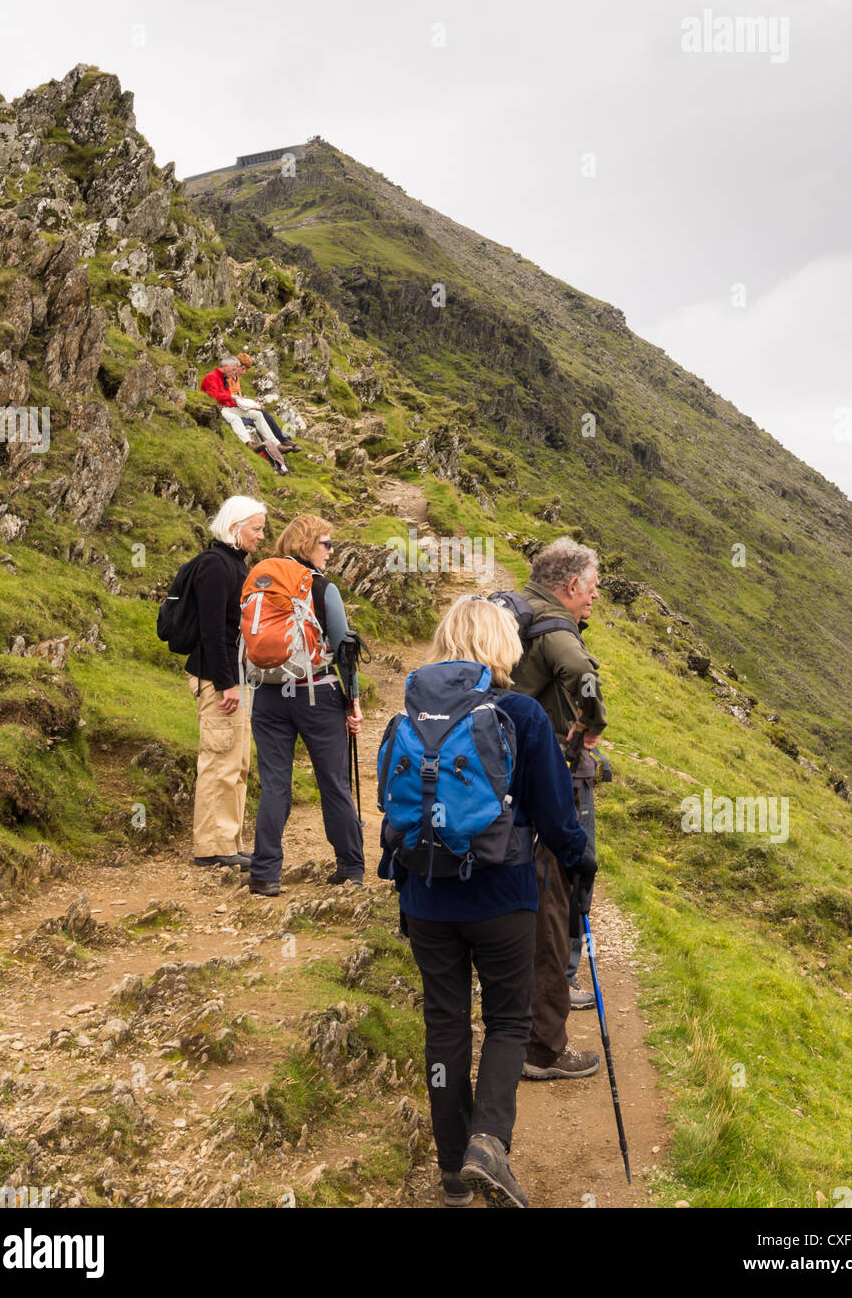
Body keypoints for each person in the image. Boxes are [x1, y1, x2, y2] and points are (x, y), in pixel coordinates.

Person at [377, 596, 596, 1208]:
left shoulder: (412, 713)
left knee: (444, 1026)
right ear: (503, 645)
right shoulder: (521, 713)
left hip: (426, 895)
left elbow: (396, 812)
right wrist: (581, 865)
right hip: (502, 896)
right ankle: (488, 1144)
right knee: (506, 1022)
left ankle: (453, 1173)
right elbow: (556, 816)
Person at [509, 538, 608, 1077]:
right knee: (551, 908)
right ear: (570, 586)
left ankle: (512, 1022)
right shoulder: (555, 631)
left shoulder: (506, 609)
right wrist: (590, 727)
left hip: (493, 778)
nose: (595, 599)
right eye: (592, 589)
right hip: (543, 783)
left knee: (519, 903)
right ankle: (543, 1048)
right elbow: (583, 677)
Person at [246, 514, 364, 896]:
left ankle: (265, 873)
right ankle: (351, 868)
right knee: (333, 783)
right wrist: (354, 701)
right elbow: (345, 647)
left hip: (267, 694)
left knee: (275, 784)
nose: (331, 551)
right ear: (307, 544)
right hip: (316, 694)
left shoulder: (261, 581)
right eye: (326, 544)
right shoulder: (321, 587)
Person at [185, 495, 267, 871]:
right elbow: (213, 631)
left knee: (236, 762)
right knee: (219, 760)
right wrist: (226, 683)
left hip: (231, 679)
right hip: (219, 680)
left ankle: (228, 841)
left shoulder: (232, 565)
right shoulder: (216, 567)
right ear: (235, 527)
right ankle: (212, 847)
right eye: (256, 528)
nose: (260, 536)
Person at [200, 357, 297, 466]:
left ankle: (277, 444)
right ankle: (249, 444)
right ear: (225, 367)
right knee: (235, 419)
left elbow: (228, 398)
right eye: (232, 370)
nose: (234, 373)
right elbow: (212, 395)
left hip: (227, 407)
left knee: (257, 414)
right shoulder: (211, 377)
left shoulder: (224, 378)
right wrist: (231, 397)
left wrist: (245, 405)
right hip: (216, 408)